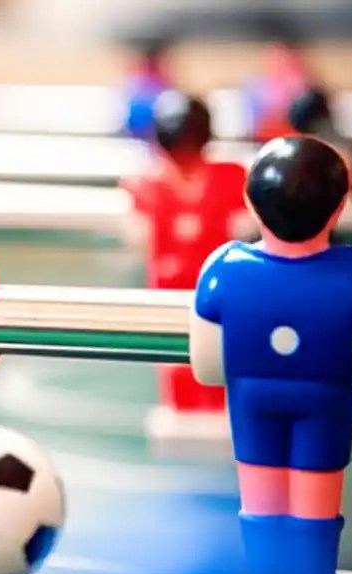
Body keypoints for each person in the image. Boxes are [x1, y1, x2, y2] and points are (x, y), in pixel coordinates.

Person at [190, 136, 352, 574]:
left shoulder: (224, 270)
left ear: (251, 202)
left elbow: (207, 366)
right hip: (326, 404)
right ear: (341, 203)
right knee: (315, 494)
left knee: (260, 494)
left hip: (253, 402)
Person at [120, 91, 248, 435]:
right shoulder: (146, 185)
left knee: (217, 377)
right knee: (181, 378)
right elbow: (138, 238)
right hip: (171, 304)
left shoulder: (231, 178)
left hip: (219, 303)